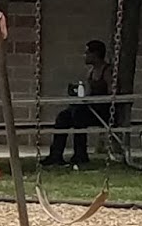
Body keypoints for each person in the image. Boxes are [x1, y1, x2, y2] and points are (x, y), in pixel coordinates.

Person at [42, 39, 112, 168]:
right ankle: (56, 155)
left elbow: (111, 92)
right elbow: (89, 93)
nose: (85, 56)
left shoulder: (106, 71)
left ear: (95, 54)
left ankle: (80, 154)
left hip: (103, 110)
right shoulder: (90, 72)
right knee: (63, 116)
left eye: (87, 53)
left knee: (79, 115)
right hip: (90, 108)